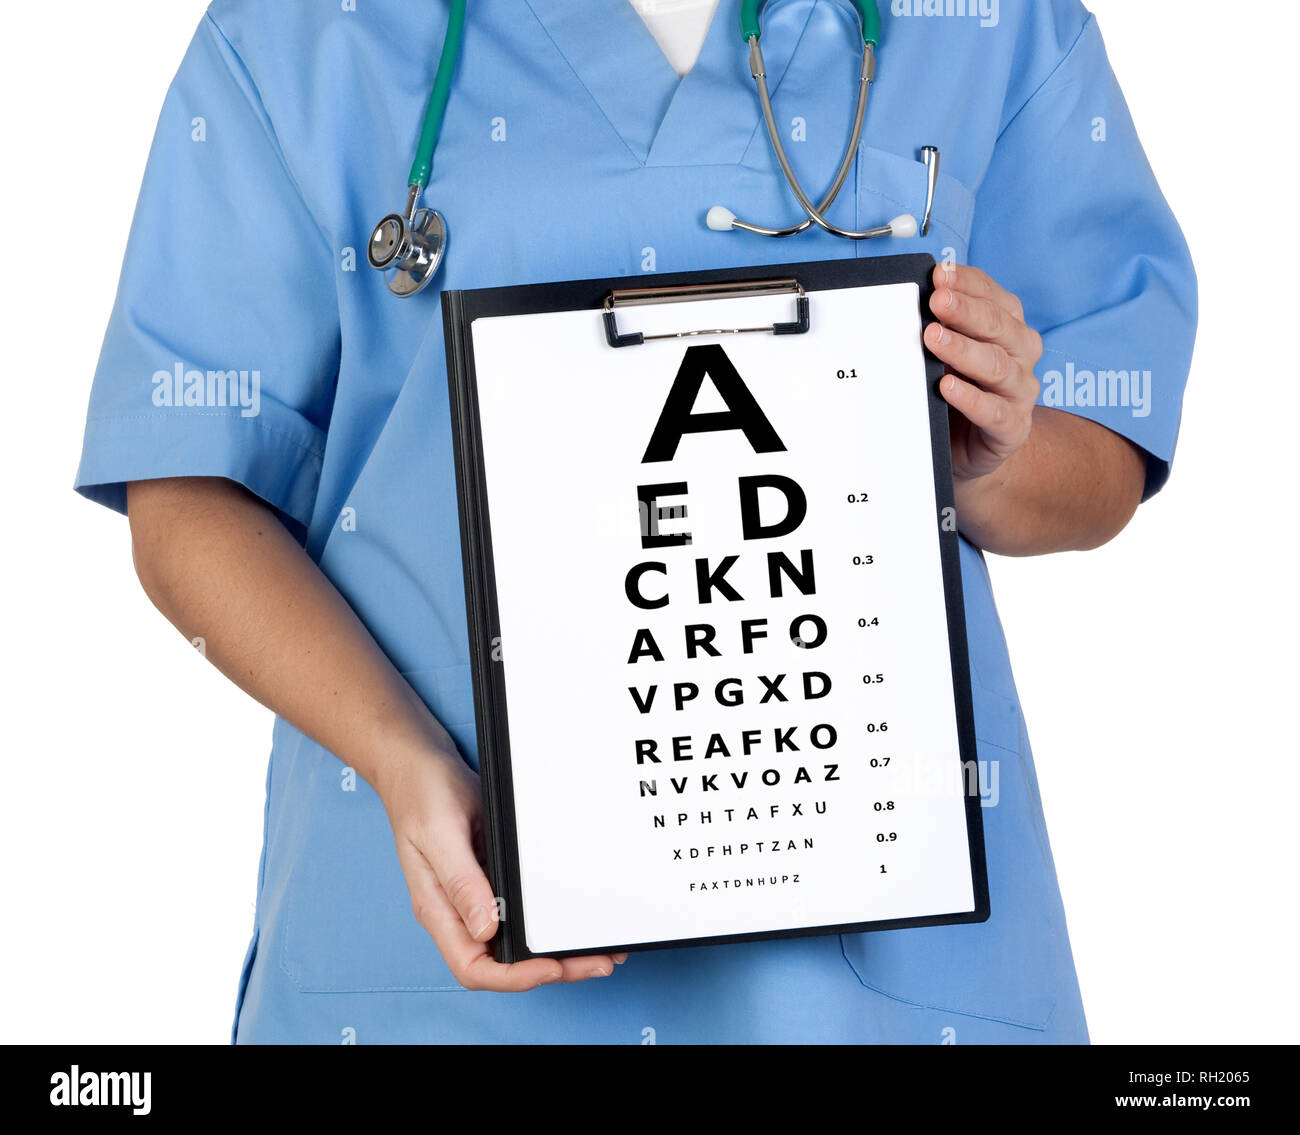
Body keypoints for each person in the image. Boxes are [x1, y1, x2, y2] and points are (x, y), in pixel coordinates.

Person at [75, 0, 1196, 1044]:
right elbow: (188, 485)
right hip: (444, 934)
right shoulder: (307, 32)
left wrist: (985, 457)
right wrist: (401, 759)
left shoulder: (986, 25)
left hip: (877, 976)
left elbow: (1105, 445)